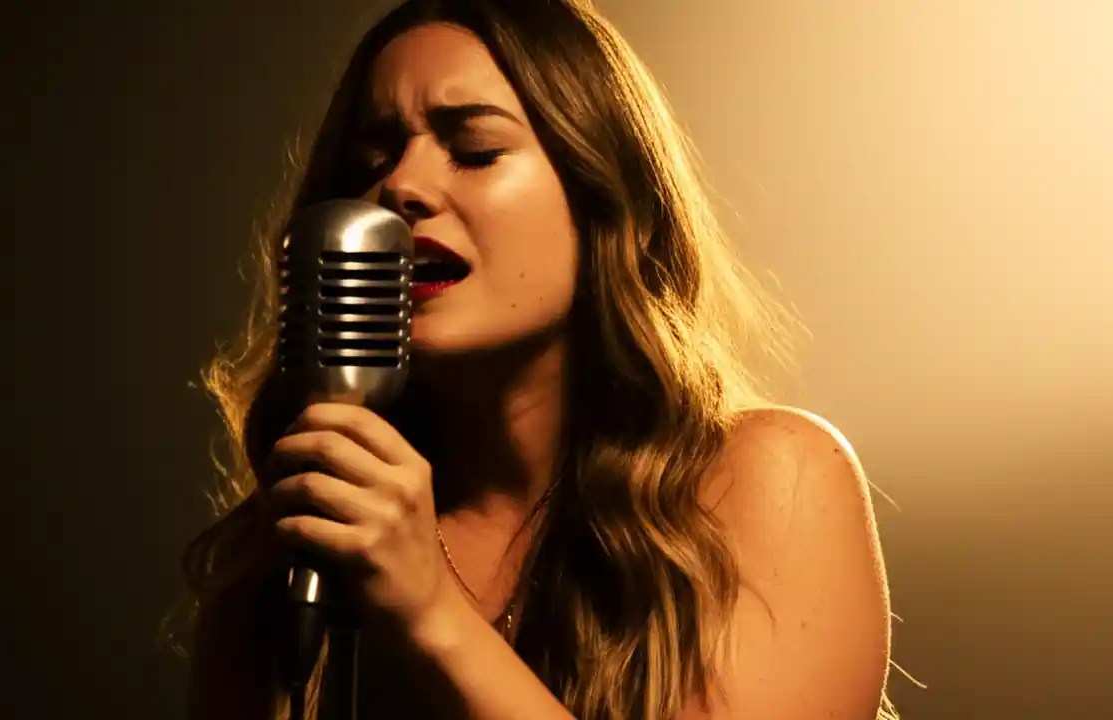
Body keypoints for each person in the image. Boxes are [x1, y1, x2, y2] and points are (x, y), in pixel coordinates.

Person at [178, 1, 898, 718]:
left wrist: (433, 612)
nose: (399, 187)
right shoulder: (295, 546)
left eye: (475, 151)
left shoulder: (769, 481)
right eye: (372, 159)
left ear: (601, 199)